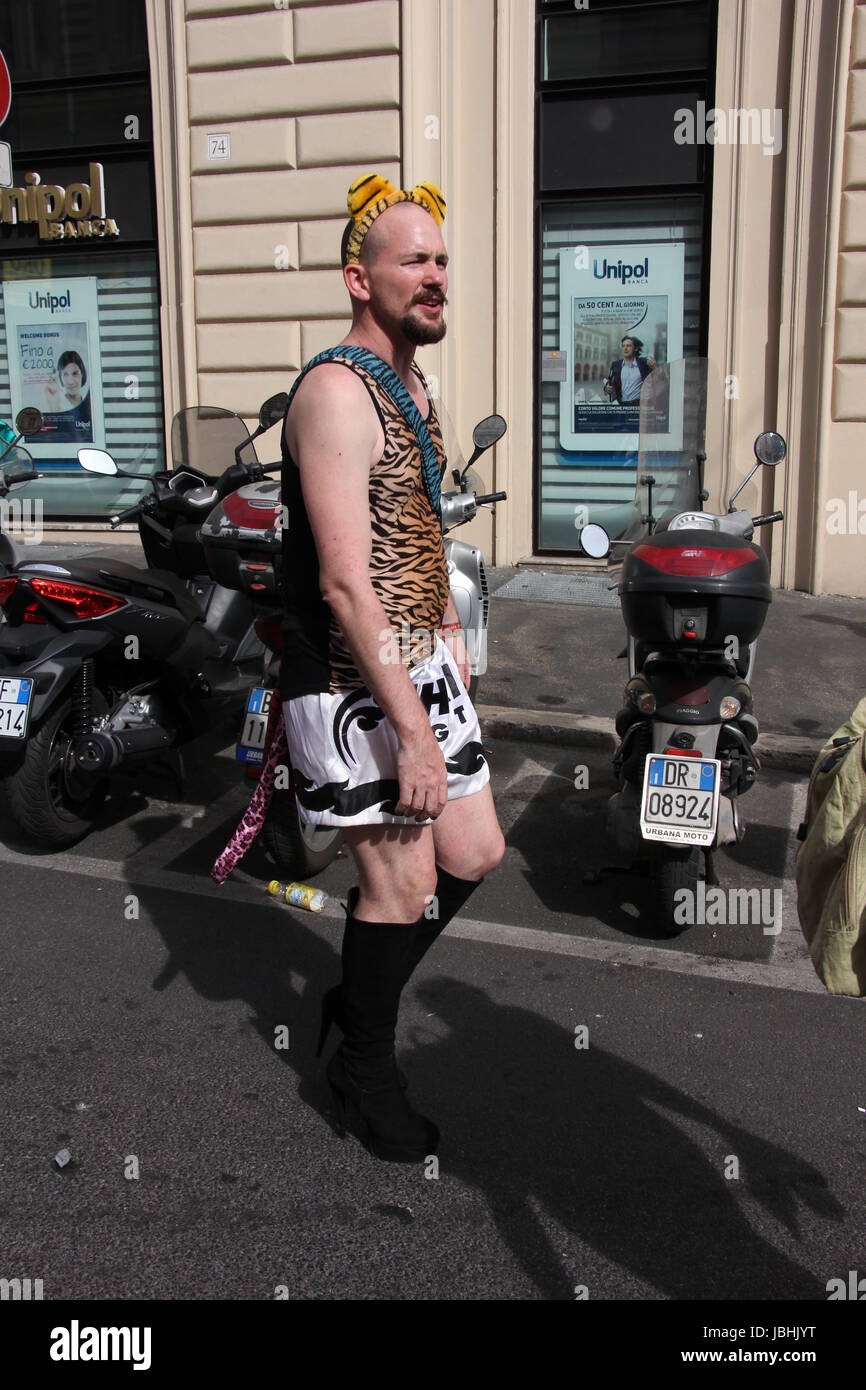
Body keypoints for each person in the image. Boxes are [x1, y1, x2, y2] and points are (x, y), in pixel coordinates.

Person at [279, 172, 505, 1163]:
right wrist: (408, 725)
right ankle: (361, 1069)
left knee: (475, 851)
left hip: (420, 659)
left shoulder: (412, 386)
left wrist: (449, 639)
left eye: (441, 259)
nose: (433, 276)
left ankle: (351, 999)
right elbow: (340, 580)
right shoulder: (332, 392)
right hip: (346, 680)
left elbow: (413, 531)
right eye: (411, 259)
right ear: (355, 280)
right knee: (404, 876)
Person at [603, 335, 656, 405]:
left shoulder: (644, 363)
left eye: (628, 346)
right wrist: (606, 388)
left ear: (636, 349)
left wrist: (654, 368)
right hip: (620, 406)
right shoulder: (615, 365)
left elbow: (657, 380)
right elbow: (609, 380)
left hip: (638, 406)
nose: (625, 348)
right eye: (623, 346)